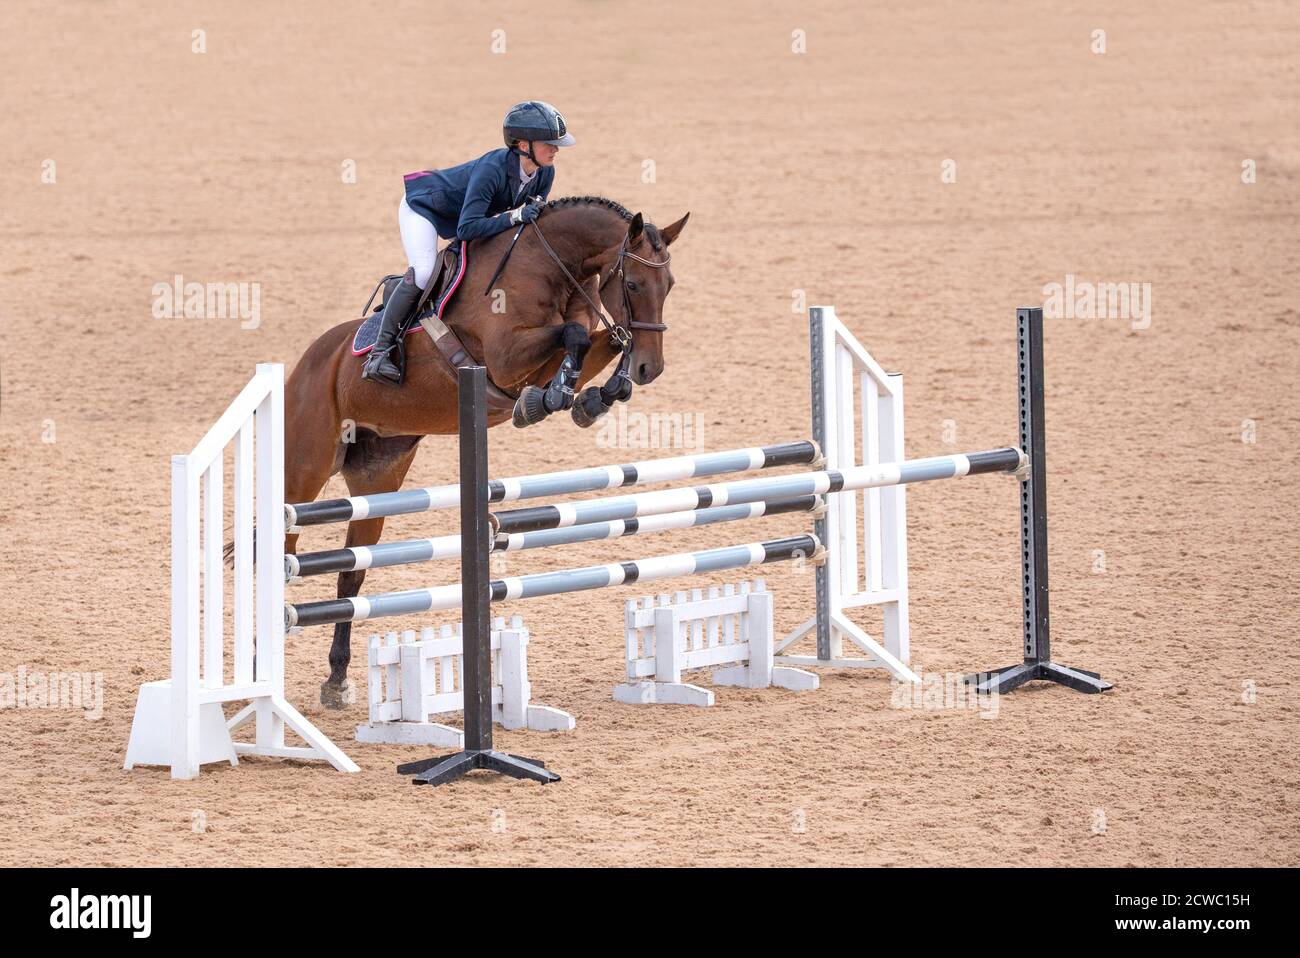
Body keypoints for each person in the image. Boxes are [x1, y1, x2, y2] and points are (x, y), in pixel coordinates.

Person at [362, 101, 576, 385]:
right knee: (424, 270)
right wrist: (513, 216)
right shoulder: (492, 169)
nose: (555, 149)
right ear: (524, 145)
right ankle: (380, 352)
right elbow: (466, 229)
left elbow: (526, 223)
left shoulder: (545, 172)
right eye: (548, 143)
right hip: (425, 208)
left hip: (468, 216)